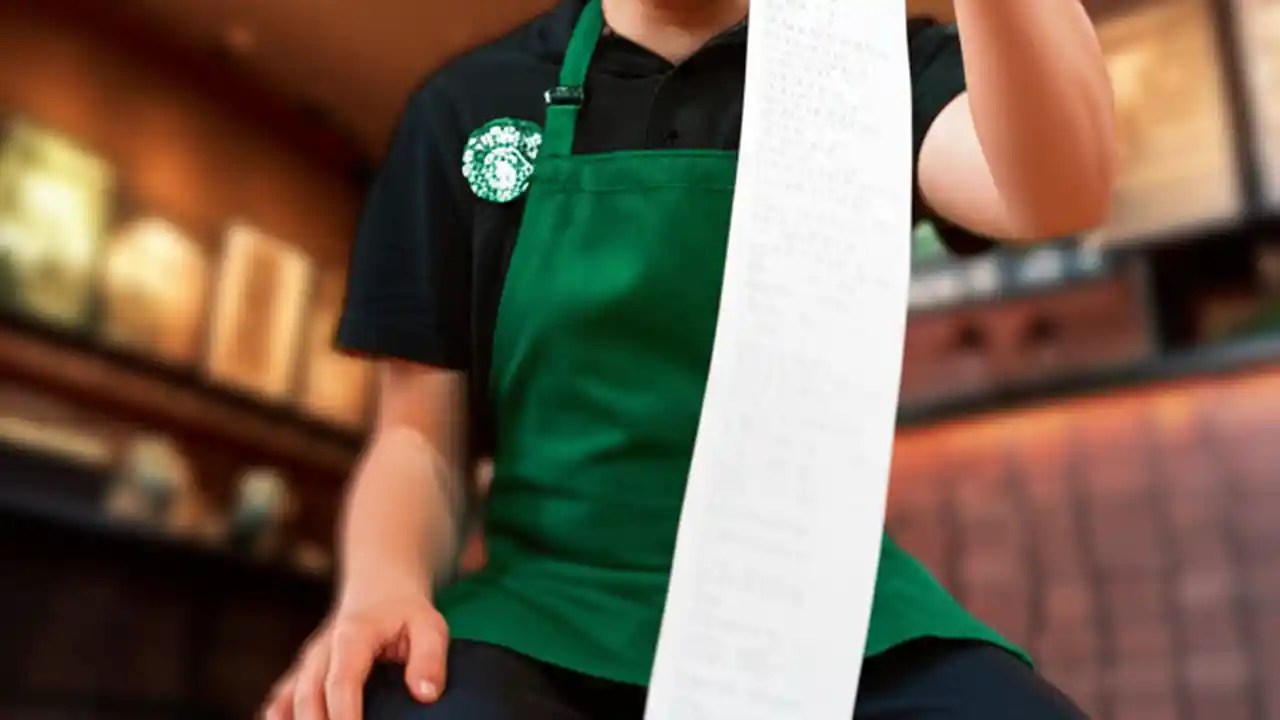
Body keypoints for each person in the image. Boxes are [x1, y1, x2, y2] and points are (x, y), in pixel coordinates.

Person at [263, 0, 1116, 718]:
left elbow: (1051, 190)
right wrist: (383, 583)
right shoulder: (465, 106)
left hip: (834, 619)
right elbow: (419, 440)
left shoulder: (867, 65)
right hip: (547, 612)